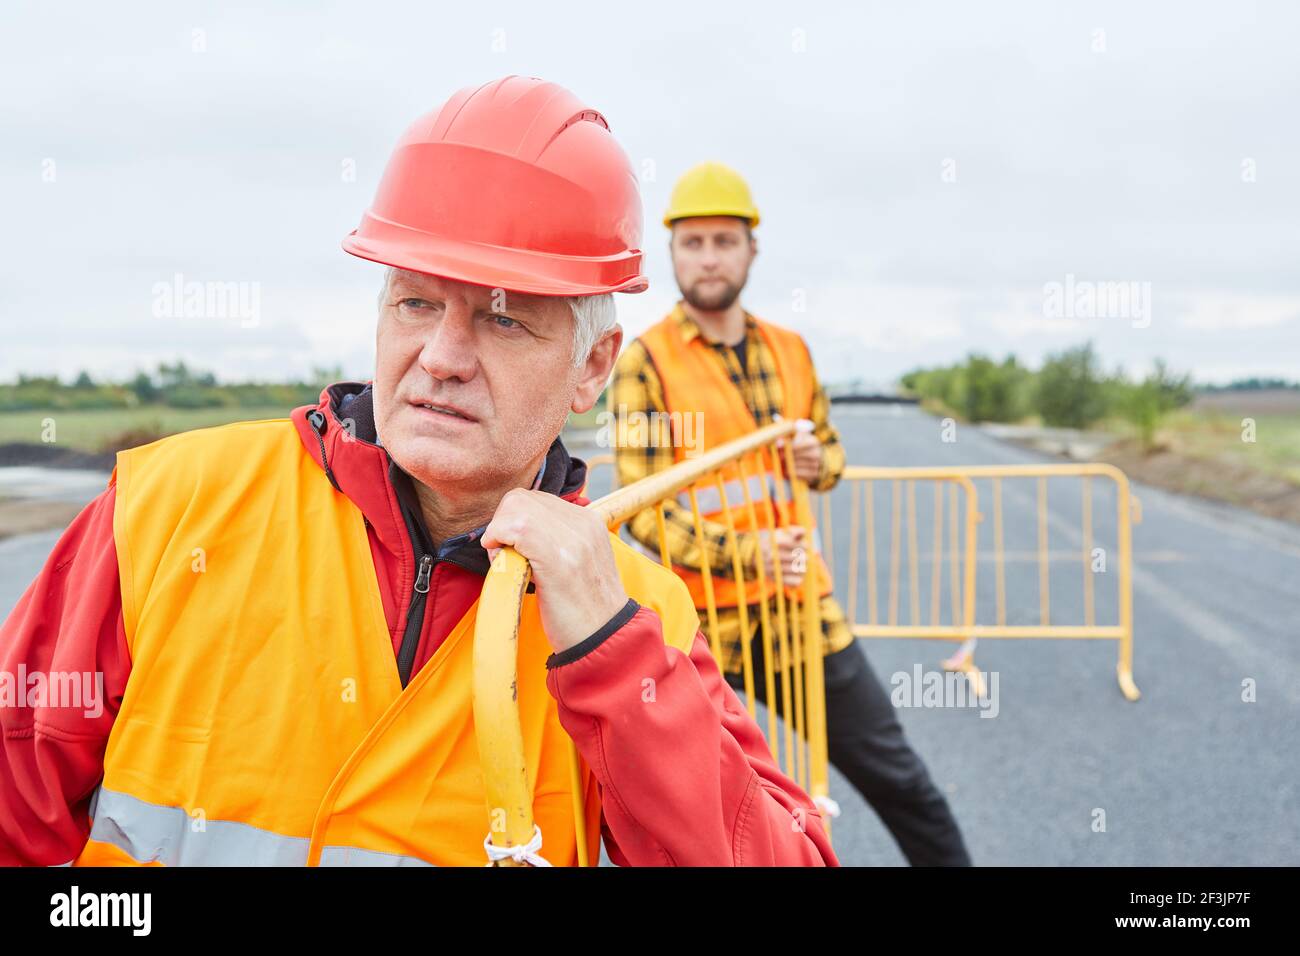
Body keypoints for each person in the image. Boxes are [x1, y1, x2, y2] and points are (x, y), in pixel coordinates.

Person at [0, 79, 836, 868]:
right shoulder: (172, 507)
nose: (441, 358)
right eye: (416, 303)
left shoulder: (630, 613)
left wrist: (613, 659)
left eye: (504, 319)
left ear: (592, 366)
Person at [609, 161, 972, 866]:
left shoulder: (792, 351)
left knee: (902, 782)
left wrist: (818, 462)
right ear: (673, 253)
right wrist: (747, 555)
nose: (708, 256)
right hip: (700, 625)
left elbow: (829, 456)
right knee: (682, 816)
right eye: (692, 242)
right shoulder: (644, 364)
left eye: (723, 240)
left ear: (750, 250)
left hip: (801, 611)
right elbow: (643, 510)